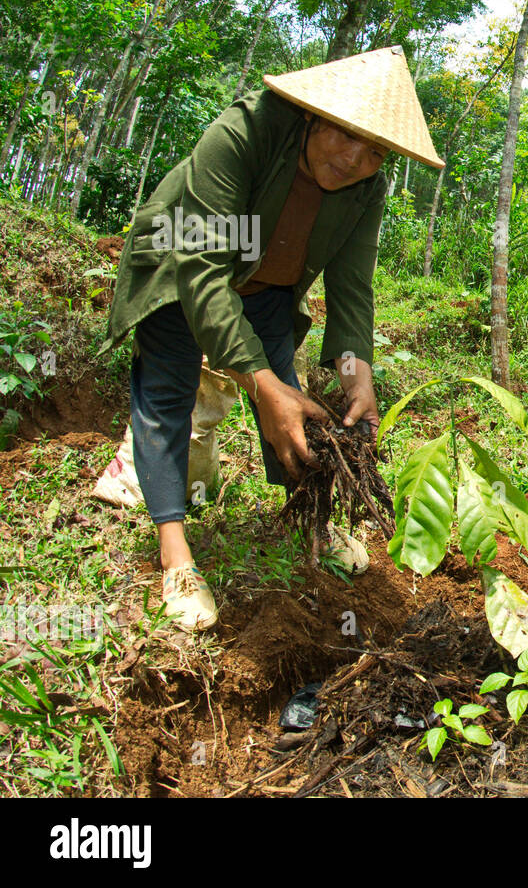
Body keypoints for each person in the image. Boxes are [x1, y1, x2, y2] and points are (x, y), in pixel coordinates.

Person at [97, 46, 445, 631]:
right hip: (181, 264)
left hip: (269, 291)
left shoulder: (368, 188)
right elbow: (203, 270)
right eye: (345, 135)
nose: (356, 159)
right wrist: (256, 383)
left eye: (376, 150)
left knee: (290, 397)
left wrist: (356, 370)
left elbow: (352, 287)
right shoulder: (244, 132)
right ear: (314, 114)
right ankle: (175, 553)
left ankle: (311, 519)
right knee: (168, 392)